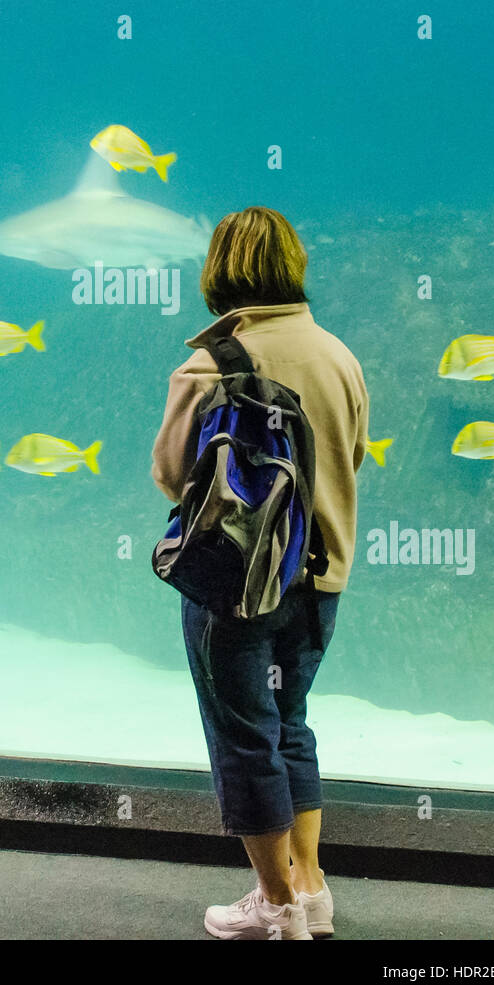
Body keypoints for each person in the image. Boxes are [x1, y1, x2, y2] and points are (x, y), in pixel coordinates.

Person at [151, 207, 369, 941]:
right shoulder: (340, 355)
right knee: (290, 725)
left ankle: (273, 906)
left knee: (242, 735)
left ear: (219, 270)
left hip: (233, 586)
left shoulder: (210, 363)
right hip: (320, 578)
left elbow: (172, 475)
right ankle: (310, 892)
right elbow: (353, 457)